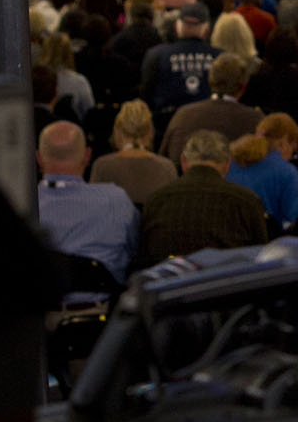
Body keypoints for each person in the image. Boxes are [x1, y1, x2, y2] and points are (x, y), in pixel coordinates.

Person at [139, 130, 269, 267]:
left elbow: (144, 257)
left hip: (168, 283)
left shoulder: (156, 200)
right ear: (226, 164)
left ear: (183, 161)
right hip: (226, 284)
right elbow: (260, 258)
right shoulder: (246, 201)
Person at [36, 121, 138, 285]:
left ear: (39, 158)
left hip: (39, 307)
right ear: (87, 155)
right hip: (104, 307)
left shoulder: (19, 207)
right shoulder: (116, 200)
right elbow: (135, 249)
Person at [159, 53, 263, 164]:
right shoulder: (255, 120)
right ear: (243, 86)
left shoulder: (183, 114)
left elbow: (164, 157)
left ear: (210, 80)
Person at [226, 113, 298, 229]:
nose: (291, 157)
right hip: (265, 242)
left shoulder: (228, 162)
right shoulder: (286, 172)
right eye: (293, 151)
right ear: (284, 142)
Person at [89, 99, 178, 207]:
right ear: (150, 133)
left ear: (117, 132)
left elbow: (93, 209)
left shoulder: (102, 167)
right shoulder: (167, 168)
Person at [139, 1, 221, 114]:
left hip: (167, 125)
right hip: (208, 122)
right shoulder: (220, 58)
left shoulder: (156, 55)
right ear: (207, 30)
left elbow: (145, 95)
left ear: (177, 26)